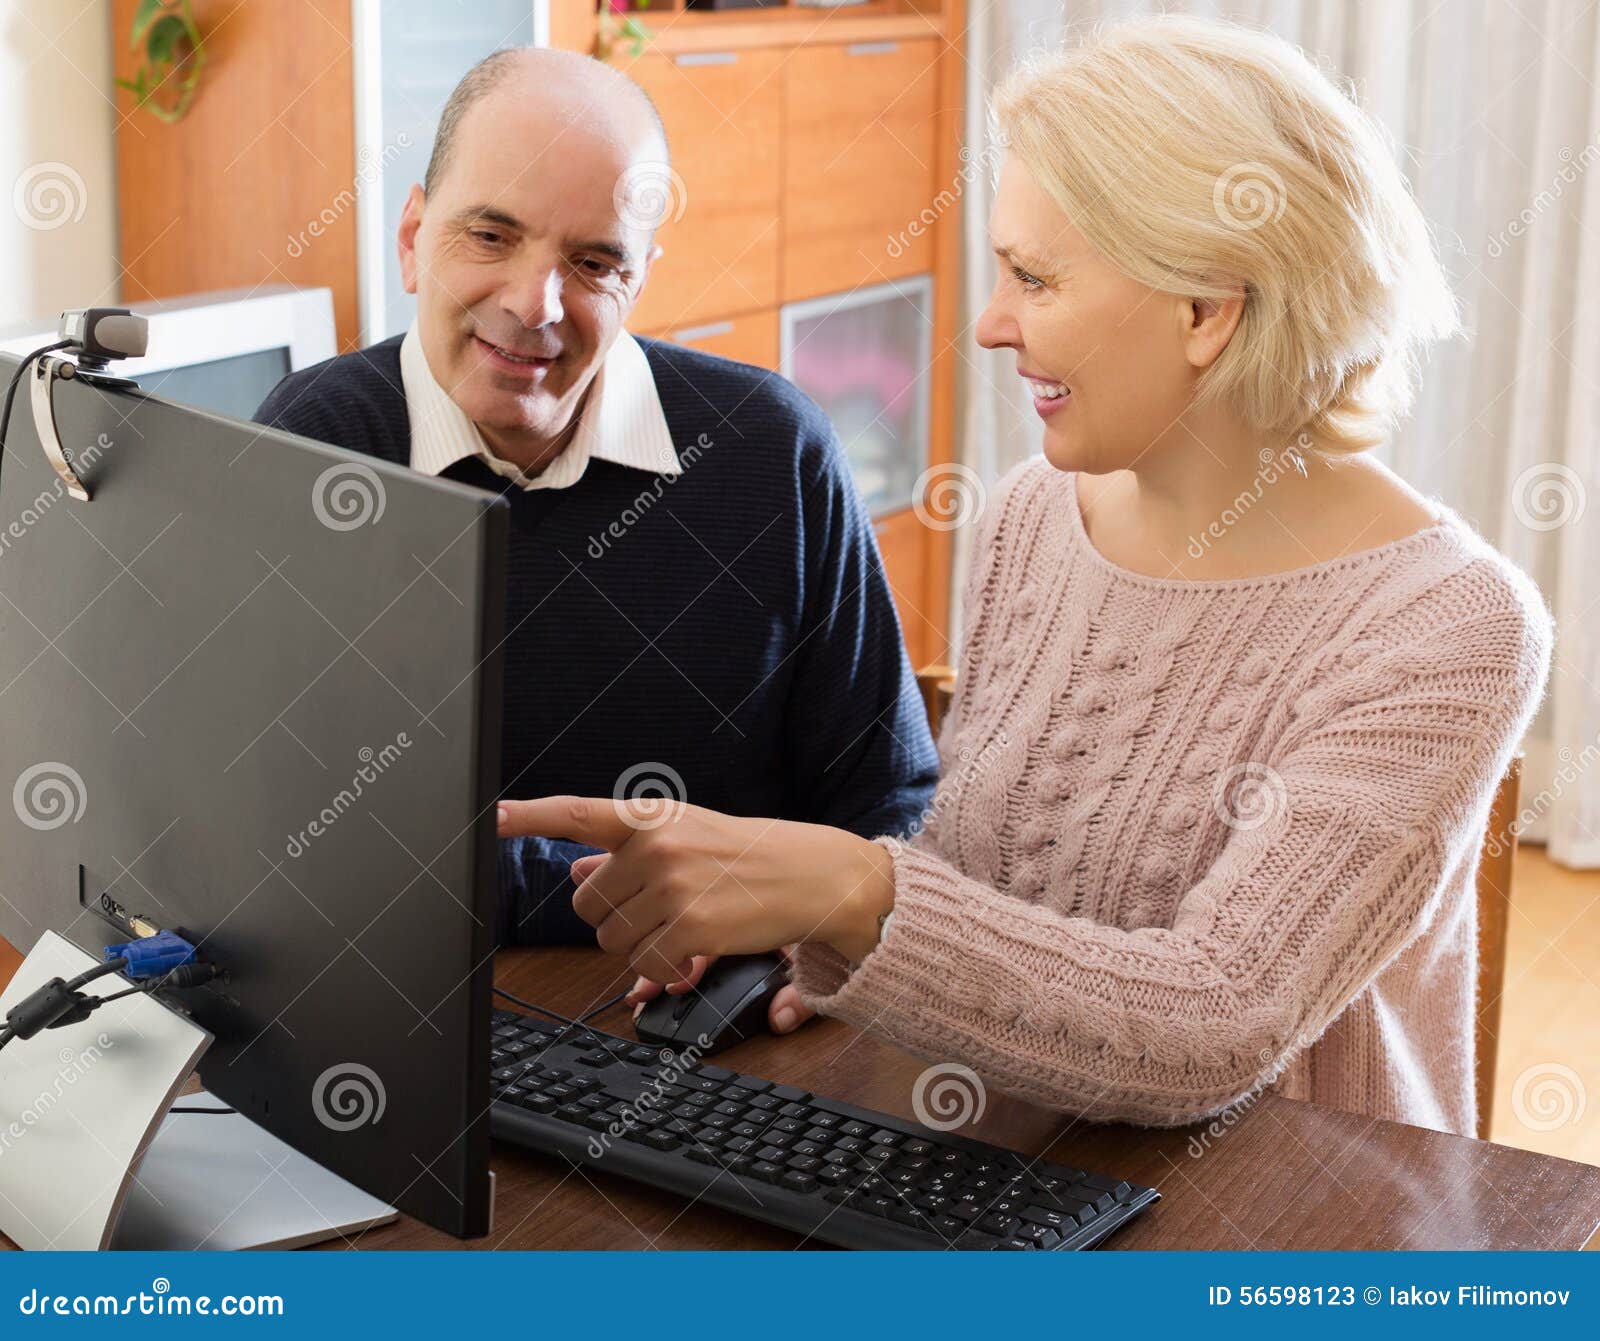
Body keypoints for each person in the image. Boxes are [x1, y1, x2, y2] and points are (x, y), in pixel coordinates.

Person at [498, 16, 1554, 1136]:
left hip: (1286, 1218)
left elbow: (1214, 1030)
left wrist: (857, 891)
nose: (993, 325)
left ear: (1205, 311)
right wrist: (801, 925)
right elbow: (979, 888)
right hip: (1003, 1152)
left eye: (1035, 279)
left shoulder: (1448, 628)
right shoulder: (1034, 519)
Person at [253, 48, 937, 998]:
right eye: (490, 236)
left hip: (721, 1027)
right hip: (410, 1017)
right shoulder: (313, 448)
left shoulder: (771, 450)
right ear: (412, 237)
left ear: (640, 278)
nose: (534, 304)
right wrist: (677, 896)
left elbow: (890, 803)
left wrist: (815, 933)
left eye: (593, 261)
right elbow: (299, 836)